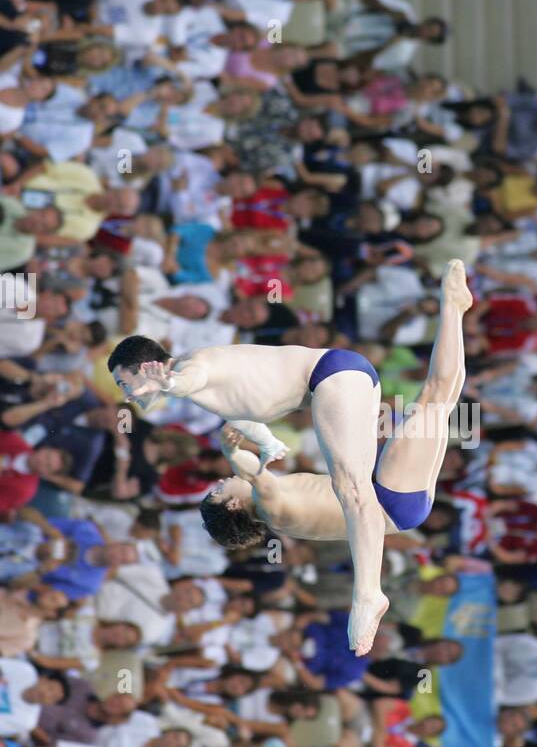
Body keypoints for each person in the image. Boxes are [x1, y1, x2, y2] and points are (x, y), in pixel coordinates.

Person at [109, 259, 471, 654]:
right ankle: (453, 308)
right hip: (350, 402)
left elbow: (194, 381)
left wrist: (176, 386)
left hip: (341, 401)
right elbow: (249, 456)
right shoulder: (268, 499)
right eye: (217, 490)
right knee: (433, 402)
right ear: (233, 503)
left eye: (125, 383)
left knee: (424, 412)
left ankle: (368, 593)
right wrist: (249, 444)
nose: (128, 395)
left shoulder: (195, 370)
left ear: (148, 366)